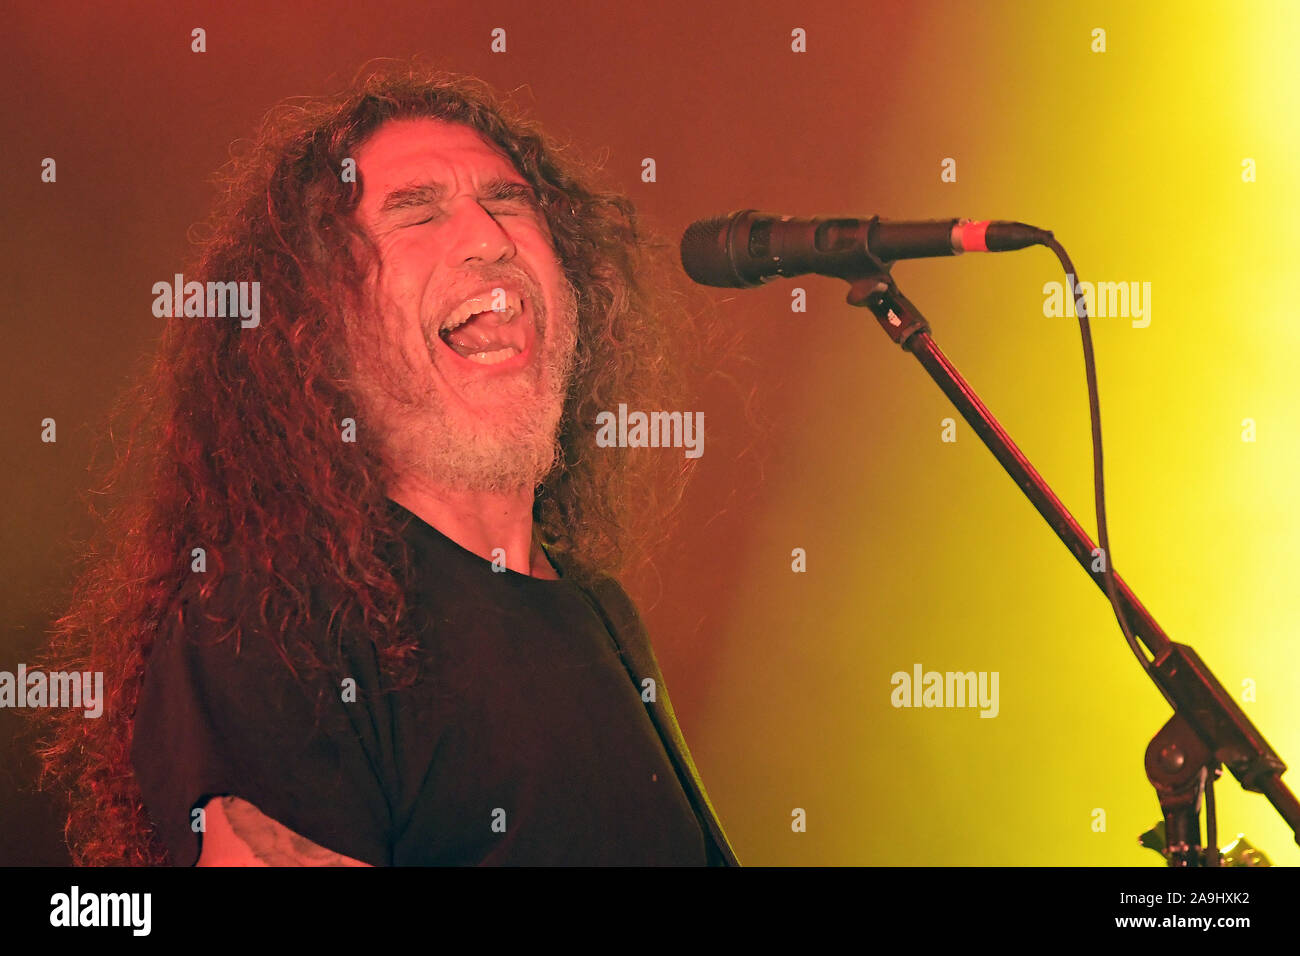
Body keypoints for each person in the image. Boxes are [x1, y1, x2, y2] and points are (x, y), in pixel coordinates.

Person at [36, 64, 739, 866]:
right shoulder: (275, 617)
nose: (490, 238)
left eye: (508, 200)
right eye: (417, 215)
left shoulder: (598, 612)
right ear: (317, 326)